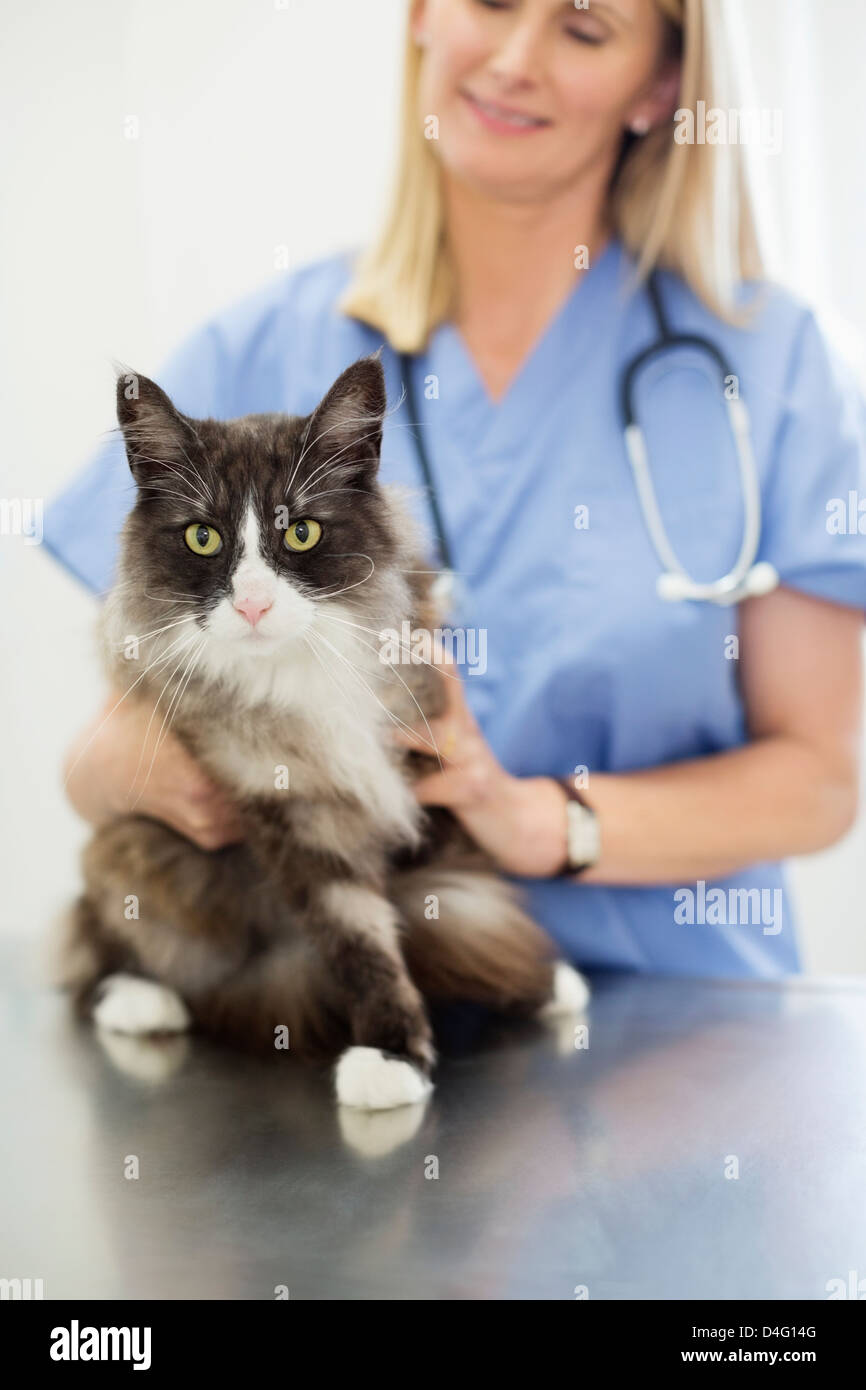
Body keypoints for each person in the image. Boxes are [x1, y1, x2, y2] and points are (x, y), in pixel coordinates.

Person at [48, 0, 865, 978]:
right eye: (490, 4)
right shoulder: (258, 345)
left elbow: (816, 783)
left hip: (683, 1021)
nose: (516, 61)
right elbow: (118, 735)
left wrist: (533, 819)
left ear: (656, 85)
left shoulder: (763, 362)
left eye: (583, 28)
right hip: (335, 1006)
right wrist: (113, 777)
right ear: (424, 15)